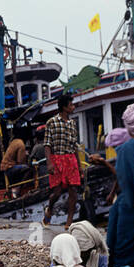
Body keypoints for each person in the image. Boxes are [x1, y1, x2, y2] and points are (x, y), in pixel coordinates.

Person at [42, 93, 105, 229]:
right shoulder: (51, 122)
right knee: (57, 192)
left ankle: (69, 221)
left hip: (71, 159)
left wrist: (79, 165)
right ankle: (50, 208)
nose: (73, 107)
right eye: (71, 105)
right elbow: (47, 144)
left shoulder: (72, 124)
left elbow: (74, 146)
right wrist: (49, 163)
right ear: (64, 107)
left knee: (73, 191)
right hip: (57, 158)